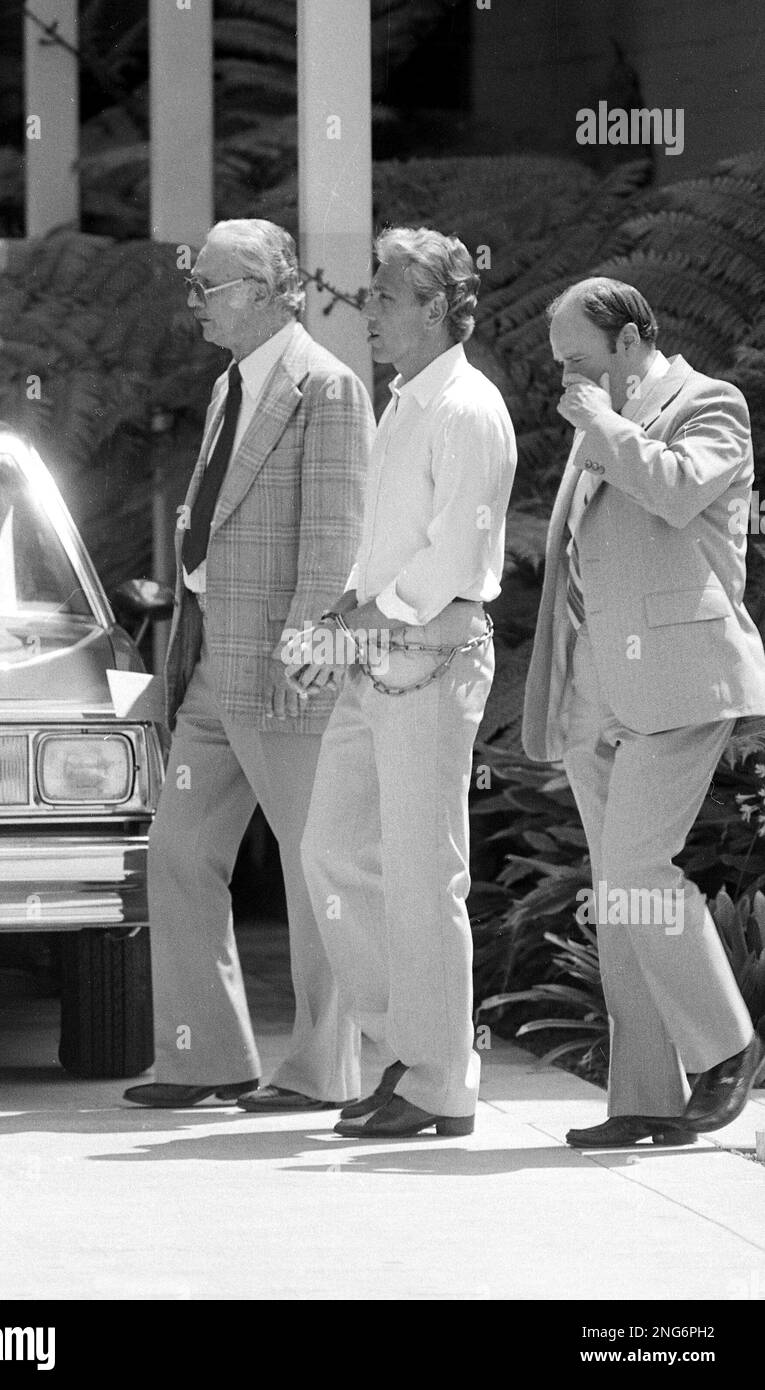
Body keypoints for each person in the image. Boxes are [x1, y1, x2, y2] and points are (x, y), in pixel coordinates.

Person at [125, 218, 373, 1112]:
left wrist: (306, 645)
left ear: (277, 292)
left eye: (214, 285)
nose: (196, 300)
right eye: (197, 283)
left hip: (283, 662)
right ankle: (204, 1060)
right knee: (180, 849)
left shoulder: (327, 387)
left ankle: (320, 1073)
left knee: (316, 873)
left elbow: (336, 537)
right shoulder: (229, 383)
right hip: (210, 661)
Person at [522, 276, 765, 1148]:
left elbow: (674, 491)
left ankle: (727, 1045)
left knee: (634, 871)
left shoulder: (710, 403)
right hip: (600, 688)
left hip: (680, 675)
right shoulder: (602, 423)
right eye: (558, 369)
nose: (568, 383)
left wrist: (599, 421)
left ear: (630, 342)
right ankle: (644, 1101)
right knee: (618, 893)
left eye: (579, 362)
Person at [295, 227, 517, 1138]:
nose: (367, 310)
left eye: (384, 297)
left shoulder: (468, 408)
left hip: (428, 656)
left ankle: (437, 1081)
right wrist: (348, 612)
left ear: (436, 308)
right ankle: (409, 1052)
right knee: (330, 851)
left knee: (427, 877)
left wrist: (358, 621)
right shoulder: (407, 403)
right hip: (379, 654)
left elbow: (449, 562)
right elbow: (387, 542)